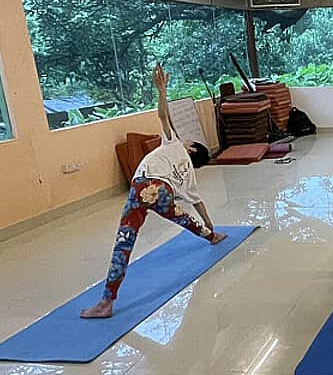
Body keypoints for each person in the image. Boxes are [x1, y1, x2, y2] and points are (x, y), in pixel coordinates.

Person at [80, 65, 226, 319]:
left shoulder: (175, 144)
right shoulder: (189, 177)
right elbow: (198, 204)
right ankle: (211, 237)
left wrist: (161, 91)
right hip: (164, 193)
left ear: (191, 149)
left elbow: (163, 116)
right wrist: (211, 228)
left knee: (125, 242)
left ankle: (106, 302)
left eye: (190, 142)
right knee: (186, 219)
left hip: (144, 186)